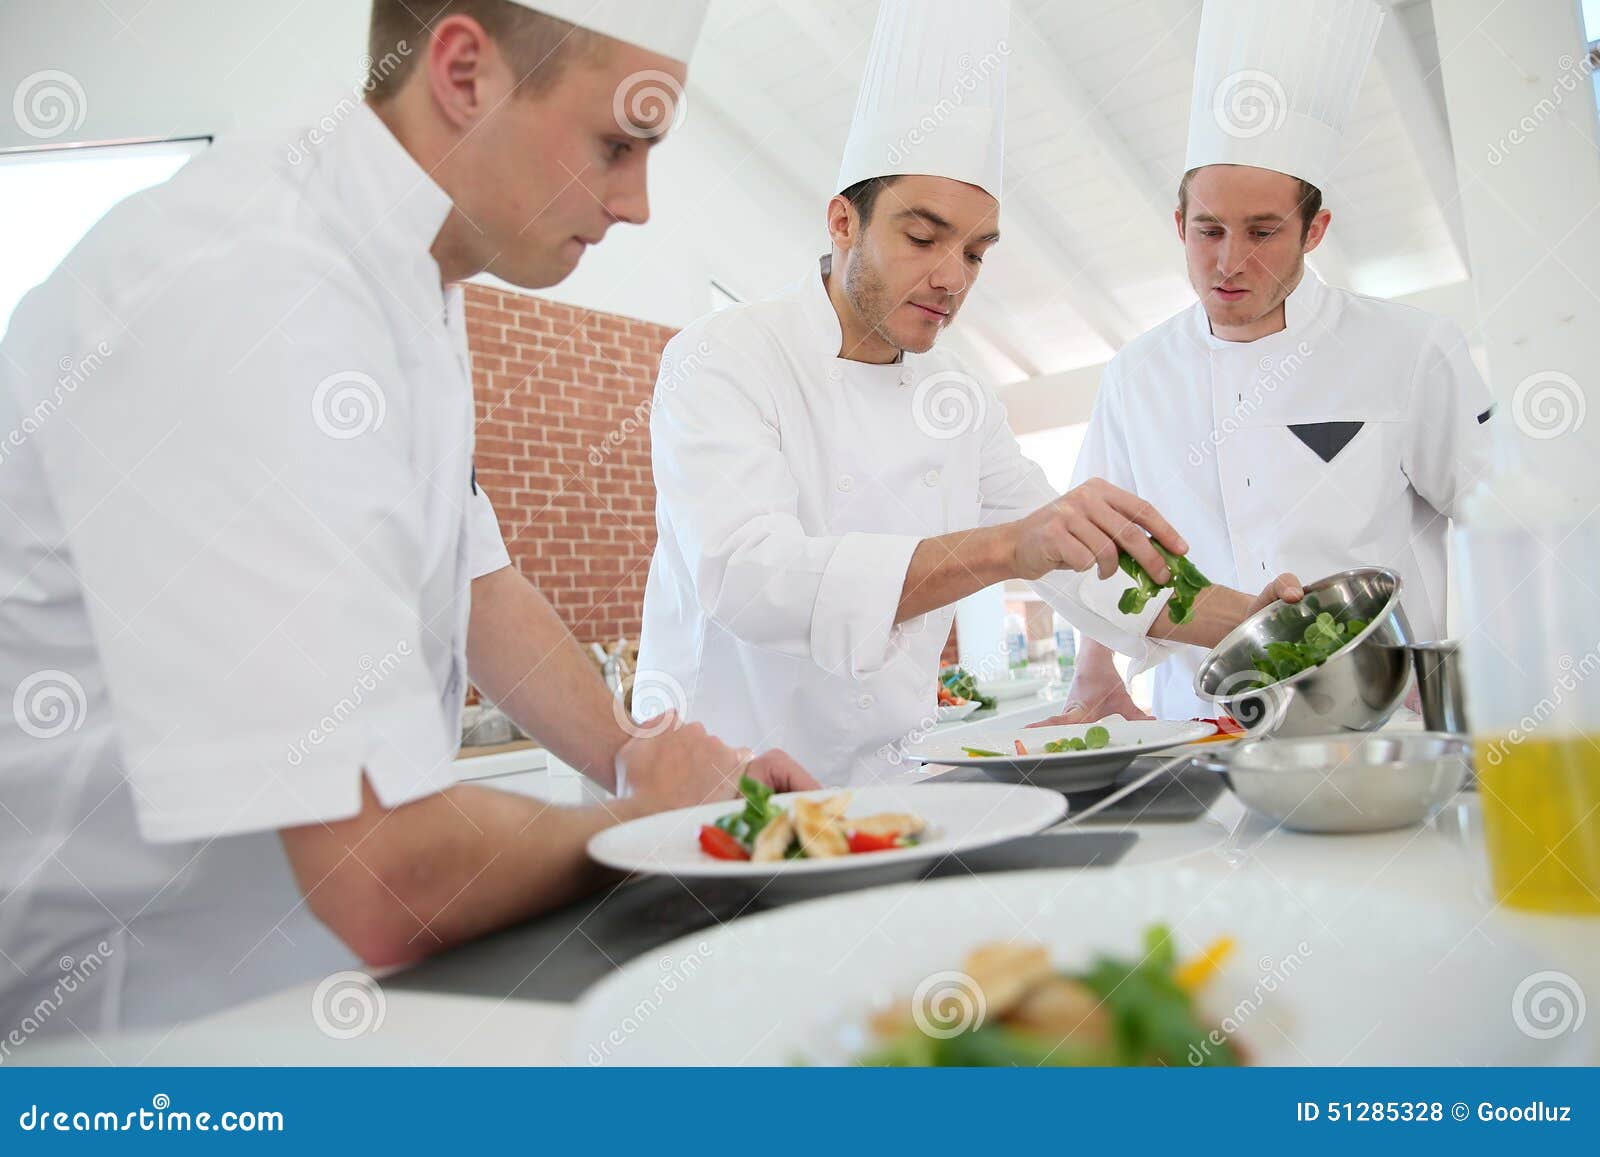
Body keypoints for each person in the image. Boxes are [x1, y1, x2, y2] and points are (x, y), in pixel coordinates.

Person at [0, 0, 816, 1041]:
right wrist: (652, 820)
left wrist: (632, 757)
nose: (638, 203)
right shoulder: (253, 281)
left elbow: (479, 585)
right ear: (463, 70)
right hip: (116, 1040)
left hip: (304, 998)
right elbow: (379, 875)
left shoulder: (415, 278)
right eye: (618, 144)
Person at [635, 0, 1300, 787]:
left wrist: (1266, 620)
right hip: (724, 796)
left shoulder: (959, 396)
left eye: (976, 252)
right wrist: (1004, 546)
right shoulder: (723, 357)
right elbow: (753, 581)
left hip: (895, 798)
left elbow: (1076, 562)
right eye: (923, 238)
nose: (952, 277)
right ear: (843, 221)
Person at [1057, 0, 1493, 723]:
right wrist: (1094, 673)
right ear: (1178, 225)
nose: (1229, 262)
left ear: (1314, 229)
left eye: (1262, 231)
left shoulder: (1412, 350)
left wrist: (1485, 677)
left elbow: (1502, 522)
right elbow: (1103, 551)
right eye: (1208, 231)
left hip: (1384, 724)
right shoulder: (1136, 375)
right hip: (1200, 735)